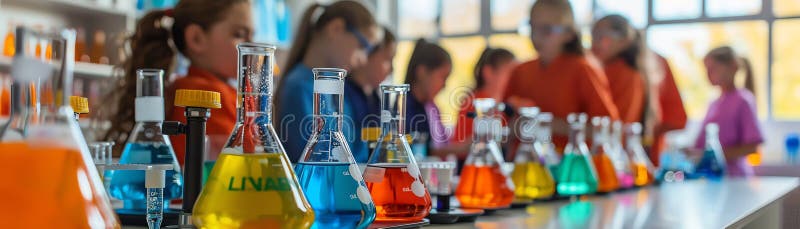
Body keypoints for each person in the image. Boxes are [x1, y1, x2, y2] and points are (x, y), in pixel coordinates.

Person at [101, 0, 253, 164]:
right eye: (239, 34)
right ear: (196, 39)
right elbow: (246, 166)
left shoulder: (180, 87)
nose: (251, 45)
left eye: (252, 35)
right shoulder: (209, 96)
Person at [503, 0, 620, 150]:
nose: (536, 36)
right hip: (525, 160)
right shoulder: (520, 71)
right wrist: (513, 127)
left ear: (568, 34)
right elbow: (502, 121)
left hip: (570, 160)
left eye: (546, 30)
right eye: (532, 27)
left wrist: (552, 125)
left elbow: (609, 130)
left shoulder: (583, 70)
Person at [276, 1, 382, 162]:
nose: (363, 60)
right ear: (336, 28)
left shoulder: (337, 92)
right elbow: (316, 162)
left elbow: (357, 155)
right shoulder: (299, 89)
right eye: (362, 46)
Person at [590, 15, 688, 164]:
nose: (593, 45)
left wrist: (646, 131)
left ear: (624, 40)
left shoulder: (623, 72)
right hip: (637, 158)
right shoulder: (625, 68)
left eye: (601, 37)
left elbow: (616, 130)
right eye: (592, 37)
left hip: (622, 162)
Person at [693, 46, 762, 177]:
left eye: (713, 69)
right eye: (706, 69)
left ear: (733, 67)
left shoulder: (743, 101)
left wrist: (711, 155)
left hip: (734, 177)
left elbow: (752, 147)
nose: (708, 74)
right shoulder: (714, 103)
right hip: (711, 177)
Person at [402, 38, 467, 160]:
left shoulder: (432, 107)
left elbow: (442, 144)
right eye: (443, 77)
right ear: (422, 72)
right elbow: (416, 151)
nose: (444, 85)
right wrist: (461, 148)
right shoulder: (404, 110)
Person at [453, 47, 518, 160]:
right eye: (510, 74)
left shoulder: (505, 105)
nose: (514, 80)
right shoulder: (474, 104)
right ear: (488, 72)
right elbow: (463, 147)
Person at [344, 26, 396, 162]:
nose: (391, 69)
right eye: (387, 59)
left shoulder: (375, 97)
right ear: (368, 53)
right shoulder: (344, 95)